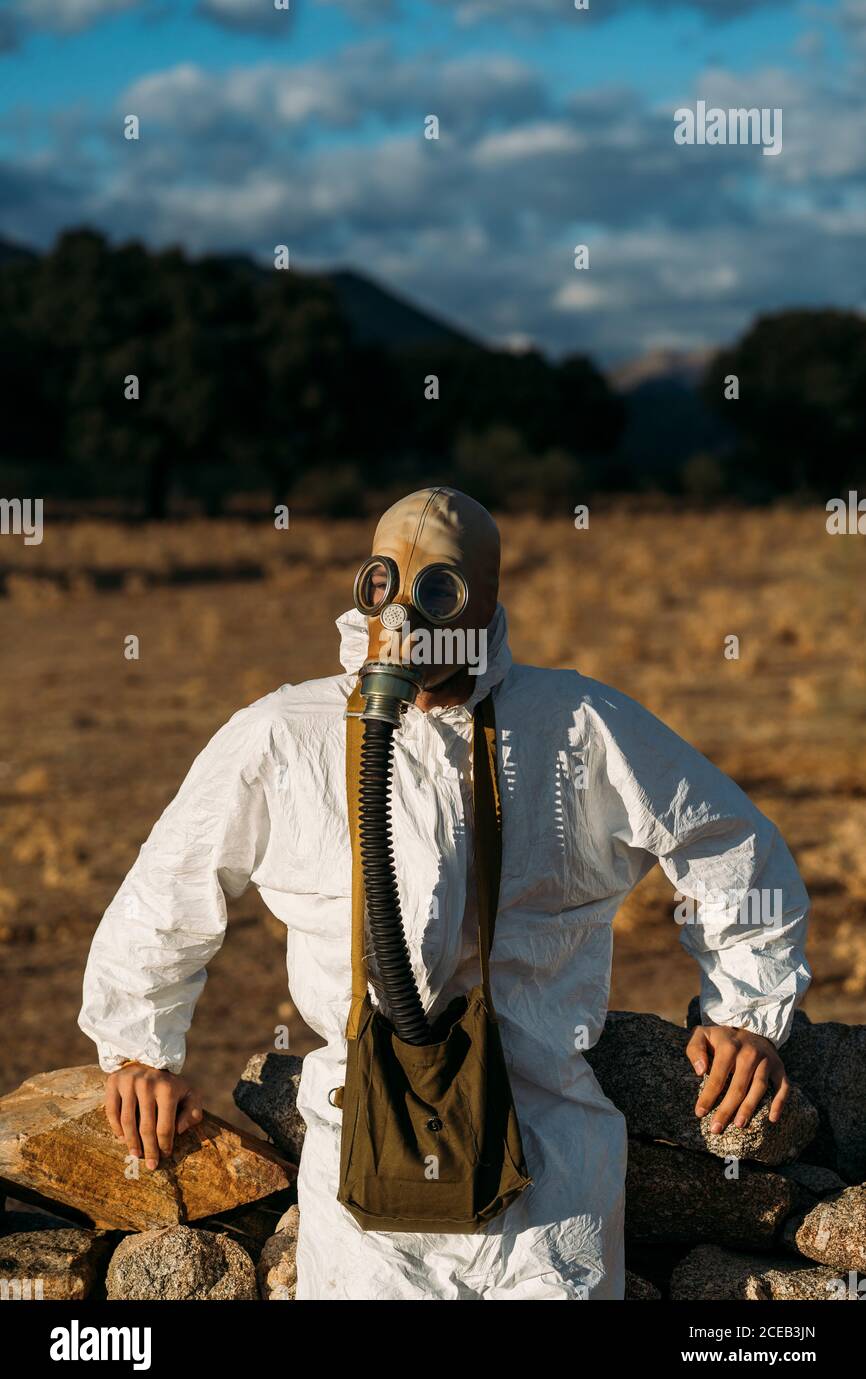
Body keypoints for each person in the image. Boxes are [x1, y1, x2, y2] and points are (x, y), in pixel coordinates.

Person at [79, 486, 811, 1300]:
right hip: (364, 1169)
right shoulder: (288, 736)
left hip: (546, 1170)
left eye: (439, 592)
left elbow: (728, 842)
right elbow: (168, 889)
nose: (407, 619)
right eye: (387, 584)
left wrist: (746, 1015)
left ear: (487, 602)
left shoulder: (576, 724)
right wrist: (140, 1047)